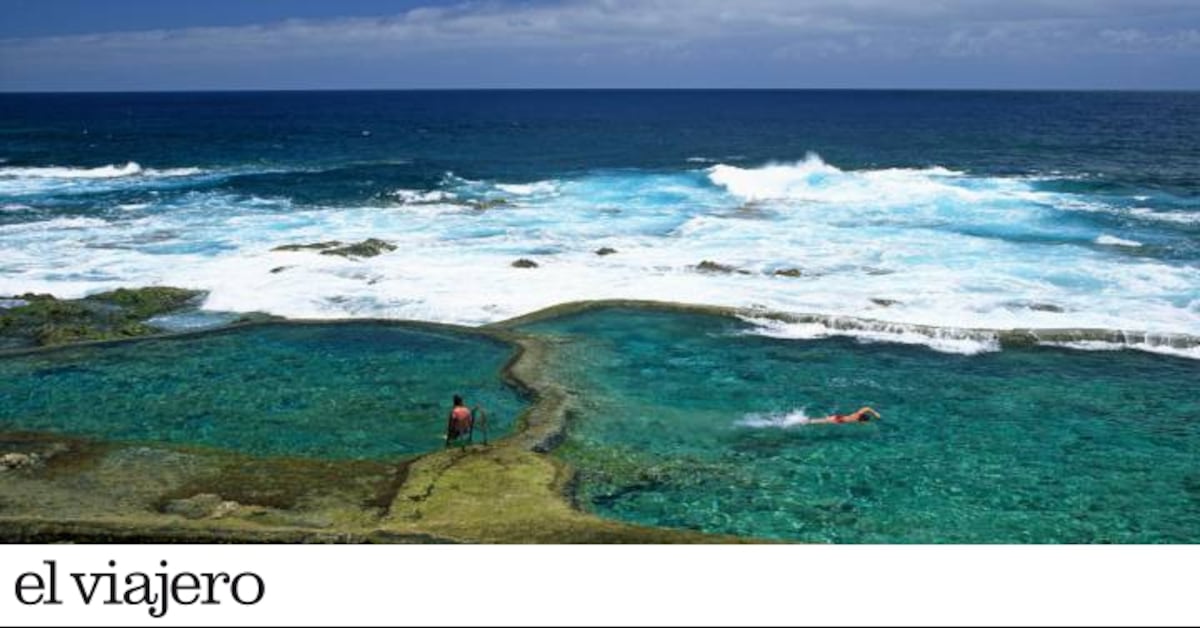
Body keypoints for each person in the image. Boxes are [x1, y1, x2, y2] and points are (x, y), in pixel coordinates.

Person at [806, 406, 881, 425]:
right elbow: (863, 423)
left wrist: (875, 413)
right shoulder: (857, 420)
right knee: (822, 421)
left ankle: (807, 420)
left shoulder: (858, 413)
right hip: (839, 420)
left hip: (839, 416)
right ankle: (806, 421)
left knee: (822, 420)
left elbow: (867, 408)